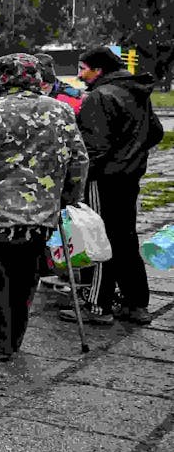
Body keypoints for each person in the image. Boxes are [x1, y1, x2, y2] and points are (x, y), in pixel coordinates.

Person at [0, 54, 87, 361]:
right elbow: (79, 160)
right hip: (41, 216)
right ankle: (14, 340)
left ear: (0, 79)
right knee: (26, 279)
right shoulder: (61, 111)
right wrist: (69, 198)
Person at [61, 45, 164, 327]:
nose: (79, 75)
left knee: (98, 237)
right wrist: (131, 152)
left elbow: (93, 147)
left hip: (103, 178)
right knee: (125, 238)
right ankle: (136, 303)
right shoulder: (135, 92)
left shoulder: (100, 97)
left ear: (99, 69)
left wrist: (78, 178)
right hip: (130, 176)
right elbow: (156, 132)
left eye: (83, 69)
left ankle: (98, 304)